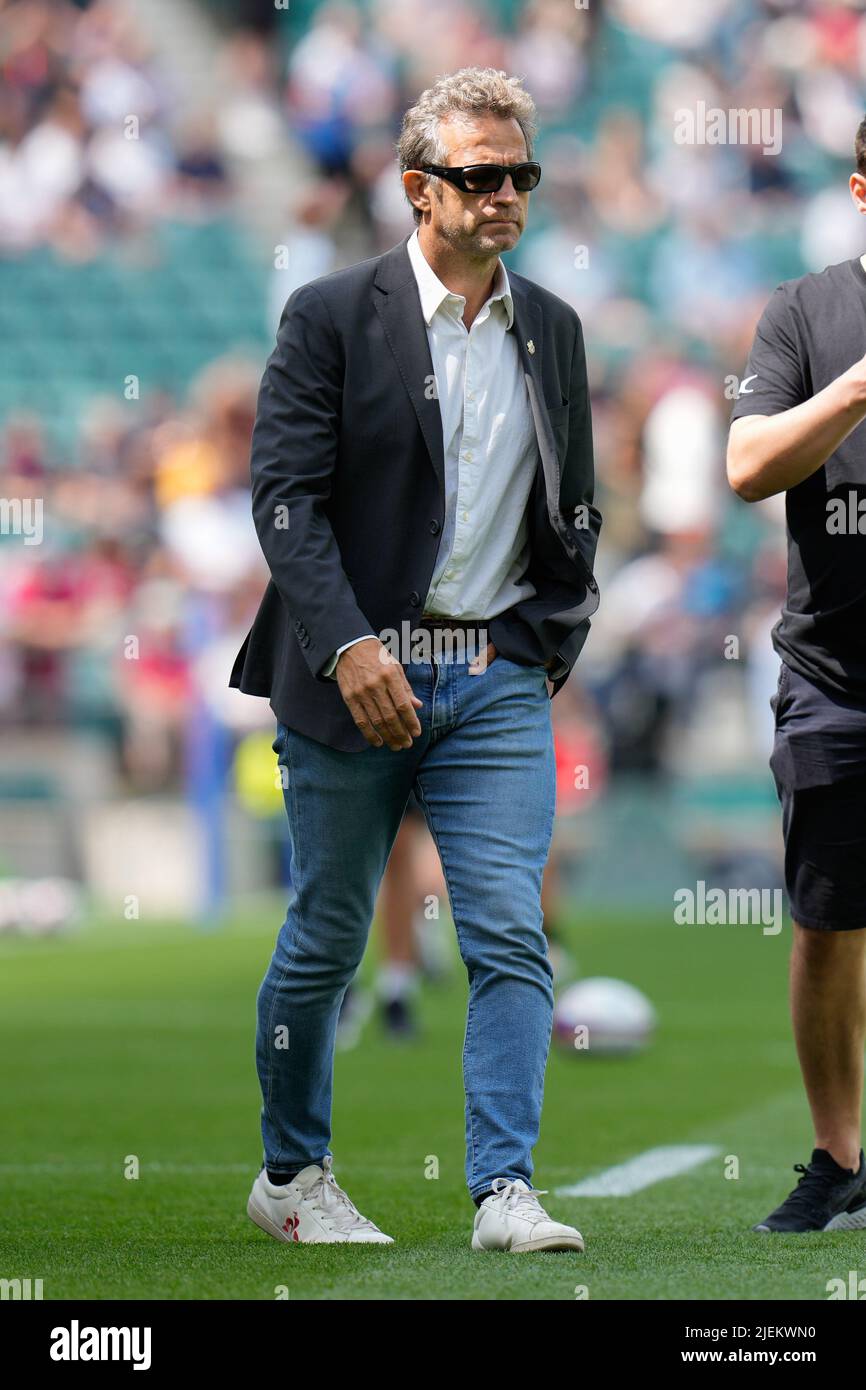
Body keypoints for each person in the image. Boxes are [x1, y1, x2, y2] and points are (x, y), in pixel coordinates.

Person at [230, 66, 600, 1250]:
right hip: (350, 670)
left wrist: (540, 649)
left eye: (518, 175)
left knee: (504, 925)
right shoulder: (331, 315)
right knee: (327, 934)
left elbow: (576, 511)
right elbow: (285, 502)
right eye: (477, 176)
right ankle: (292, 1175)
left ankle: (503, 1186)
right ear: (415, 189)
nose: (502, 196)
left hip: (490, 672)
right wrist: (345, 645)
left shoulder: (554, 329)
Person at [726, 115, 866, 1234]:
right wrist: (856, 390)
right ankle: (836, 1156)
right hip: (834, 672)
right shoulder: (804, 312)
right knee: (825, 923)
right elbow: (743, 467)